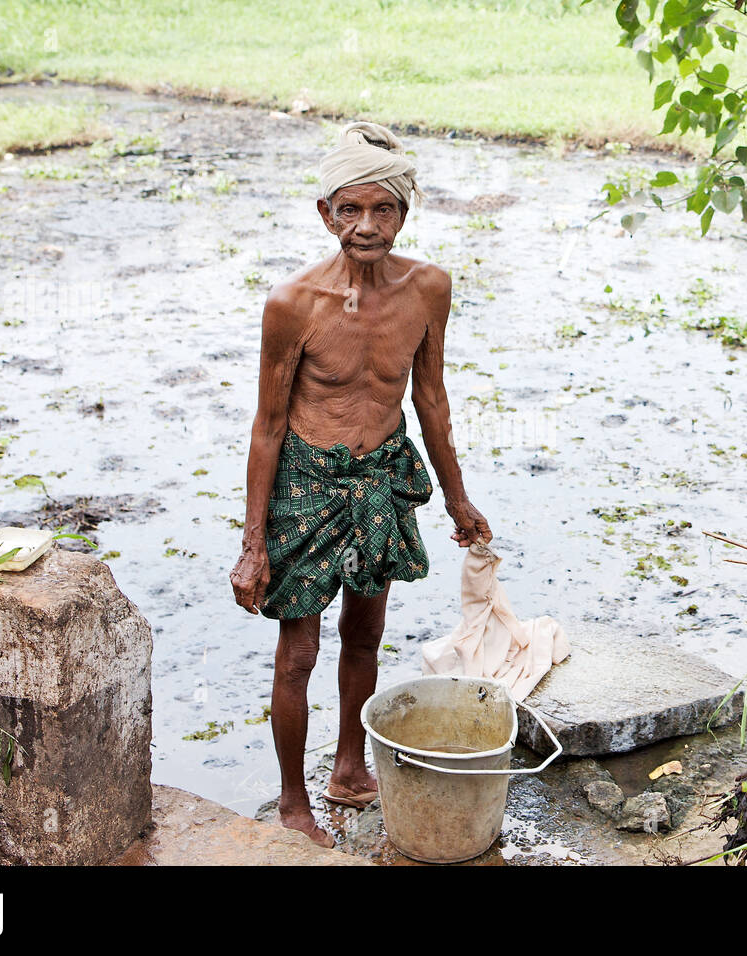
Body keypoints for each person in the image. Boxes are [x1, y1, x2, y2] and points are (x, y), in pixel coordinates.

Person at [229, 122, 491, 847]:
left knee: (367, 632)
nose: (366, 226)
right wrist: (254, 545)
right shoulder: (294, 302)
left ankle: (348, 768)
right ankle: (291, 803)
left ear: (405, 214)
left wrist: (458, 497)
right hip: (307, 481)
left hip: (380, 474)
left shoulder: (428, 288)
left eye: (383, 210)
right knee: (298, 651)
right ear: (325, 214)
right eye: (350, 210)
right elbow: (268, 425)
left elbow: (430, 400)